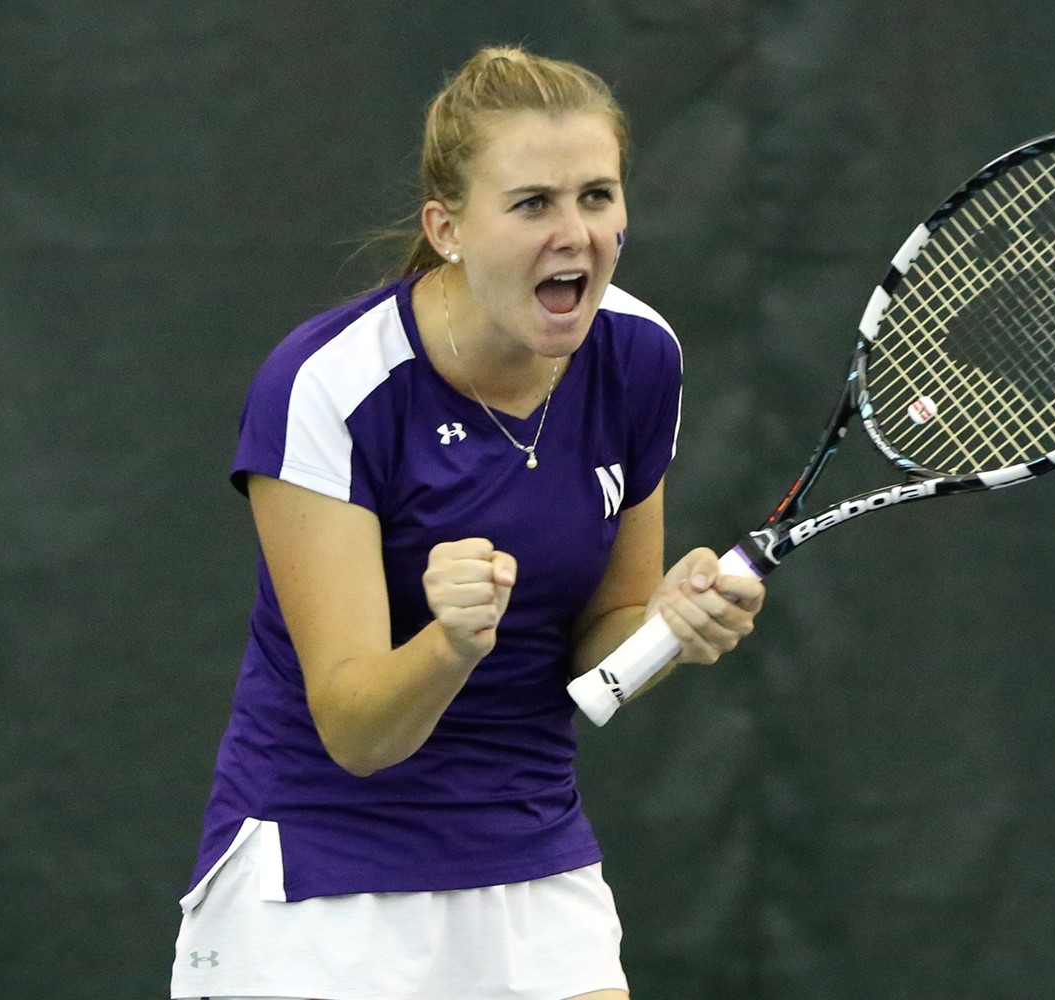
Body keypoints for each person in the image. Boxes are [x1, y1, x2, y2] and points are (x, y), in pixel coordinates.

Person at [170, 46, 766, 1000]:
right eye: (532, 203)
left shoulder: (640, 356)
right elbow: (357, 733)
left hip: (530, 853)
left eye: (598, 196)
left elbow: (599, 644)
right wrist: (449, 643)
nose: (575, 233)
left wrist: (670, 624)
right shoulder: (329, 385)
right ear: (446, 229)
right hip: (322, 869)